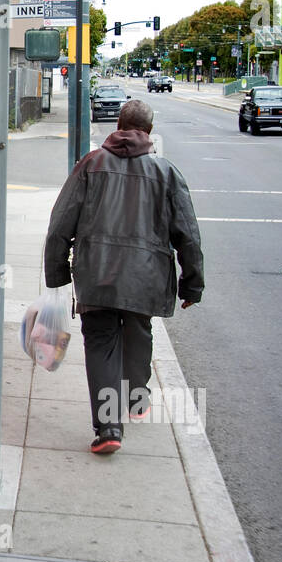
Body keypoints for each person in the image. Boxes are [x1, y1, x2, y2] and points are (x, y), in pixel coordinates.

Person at [43, 99, 204, 455]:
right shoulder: (167, 173)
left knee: (100, 341)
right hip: (145, 277)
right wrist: (192, 283)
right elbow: (187, 234)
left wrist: (57, 273)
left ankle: (109, 429)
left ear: (119, 125)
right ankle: (136, 397)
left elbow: (61, 221)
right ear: (148, 130)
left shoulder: (91, 164)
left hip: (96, 273)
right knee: (138, 329)